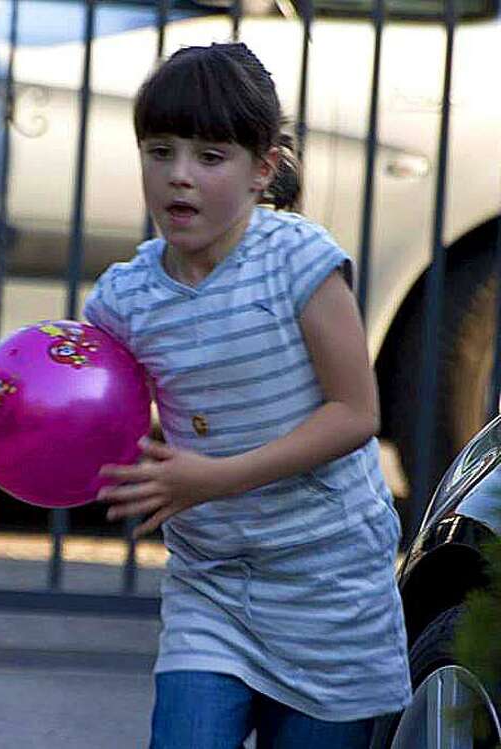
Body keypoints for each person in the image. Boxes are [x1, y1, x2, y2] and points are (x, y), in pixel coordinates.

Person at [84, 43, 411, 748]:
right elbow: (70, 403)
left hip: (332, 587)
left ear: (263, 169)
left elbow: (356, 414)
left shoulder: (300, 262)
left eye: (210, 156)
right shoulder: (124, 298)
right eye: (160, 150)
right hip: (213, 586)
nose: (179, 176)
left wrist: (211, 477)